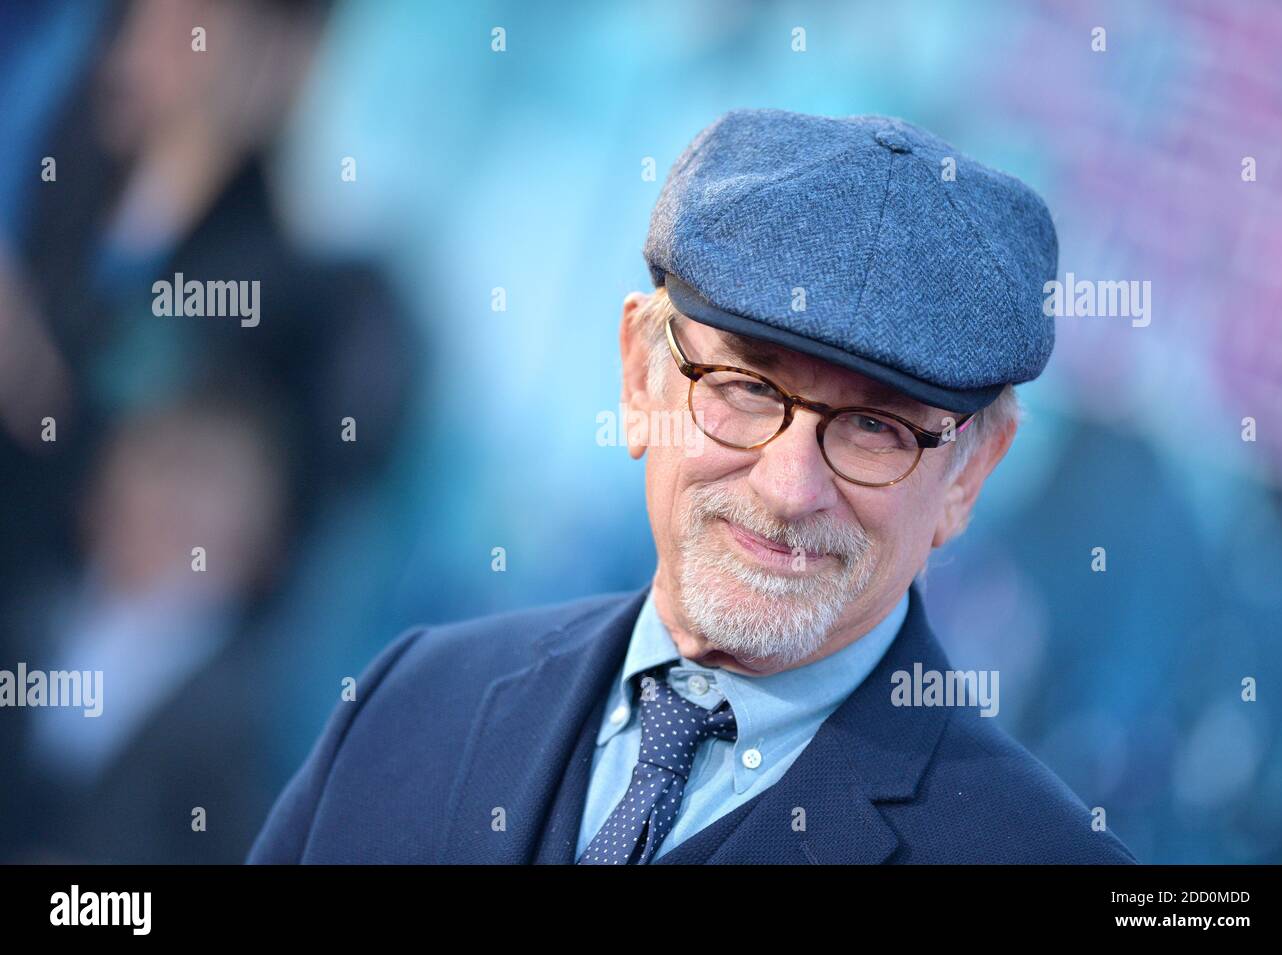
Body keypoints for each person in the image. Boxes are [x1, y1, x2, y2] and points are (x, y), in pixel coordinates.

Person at [248, 109, 1138, 864]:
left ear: (968, 471)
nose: (791, 489)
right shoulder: (411, 703)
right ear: (640, 377)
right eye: (746, 389)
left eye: (875, 427)